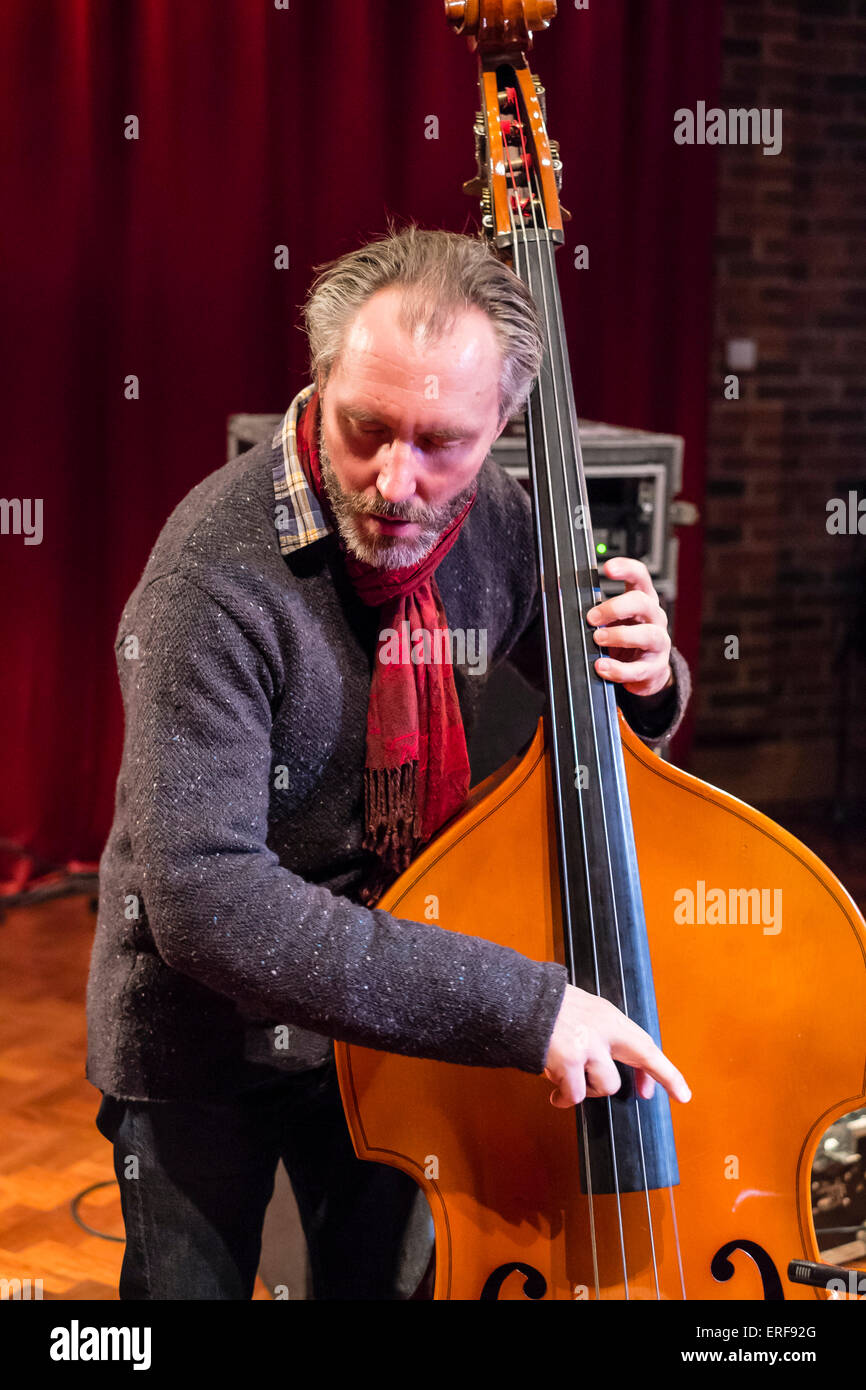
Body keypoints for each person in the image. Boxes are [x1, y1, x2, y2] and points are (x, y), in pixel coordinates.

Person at [86, 226, 692, 1301]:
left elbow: (601, 714)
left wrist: (647, 682)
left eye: (441, 442)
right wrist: (524, 1007)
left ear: (502, 426)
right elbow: (207, 900)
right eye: (365, 430)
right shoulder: (209, 573)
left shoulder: (498, 518)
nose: (394, 483)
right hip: (203, 1041)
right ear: (319, 379)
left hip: (391, 1018)